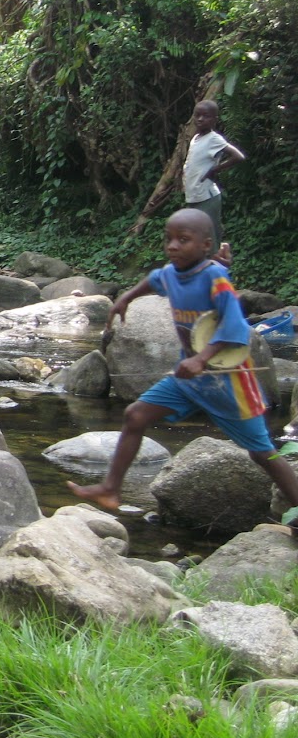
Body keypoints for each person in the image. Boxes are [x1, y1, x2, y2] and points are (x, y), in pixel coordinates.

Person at [68, 207, 298, 523]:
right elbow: (154, 279)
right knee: (135, 415)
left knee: (263, 454)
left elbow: (234, 328)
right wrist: (126, 298)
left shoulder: (215, 277)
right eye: (169, 239)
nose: (173, 246)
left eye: (183, 240)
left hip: (229, 383)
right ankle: (110, 487)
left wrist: (201, 358)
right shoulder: (172, 274)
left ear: (206, 246)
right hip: (189, 380)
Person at [183, 99, 244, 257]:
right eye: (197, 115)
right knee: (194, 238)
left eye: (206, 116)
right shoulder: (195, 138)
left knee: (209, 239)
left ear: (215, 119)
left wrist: (214, 170)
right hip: (194, 196)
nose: (200, 119)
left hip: (207, 197)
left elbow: (238, 156)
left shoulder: (213, 139)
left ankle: (218, 276)